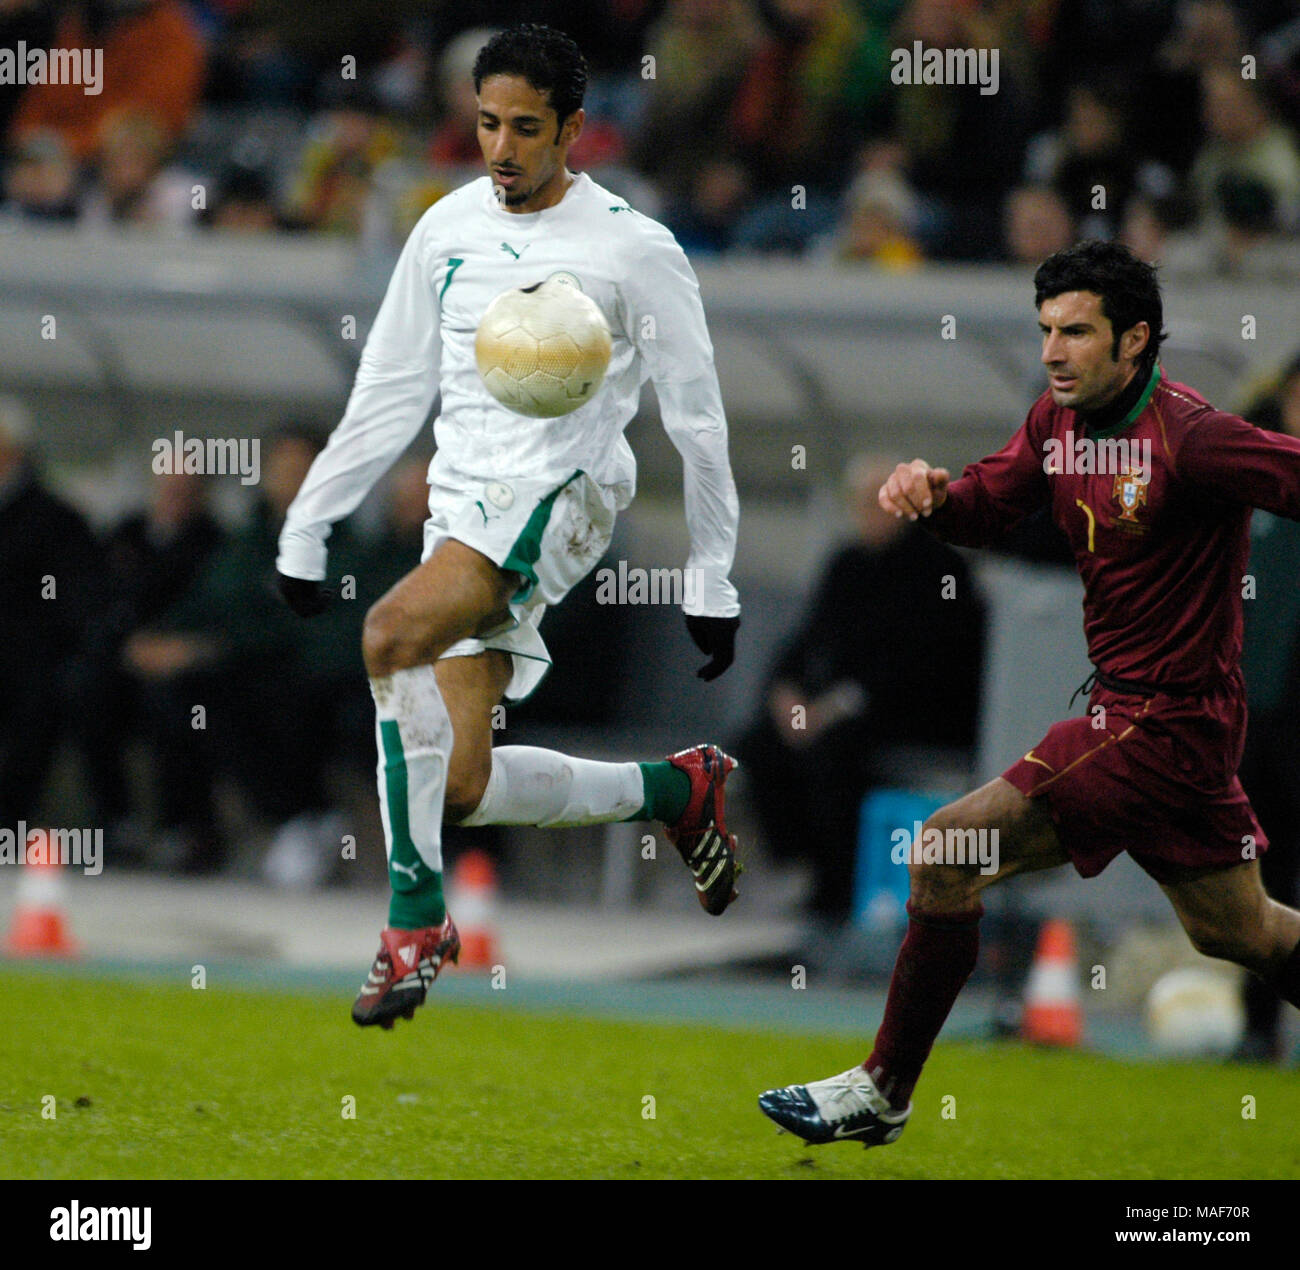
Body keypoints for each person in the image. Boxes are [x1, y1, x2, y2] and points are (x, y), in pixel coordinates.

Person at [759, 240, 1300, 1146]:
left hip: (1159, 722)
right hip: (1154, 725)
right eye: (1046, 329)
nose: (1053, 351)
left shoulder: (1193, 438)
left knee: (945, 848)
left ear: (1135, 342)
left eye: (1076, 332)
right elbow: (990, 500)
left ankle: (883, 1087)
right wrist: (933, 495)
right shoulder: (1057, 423)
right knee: (1240, 931)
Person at [274, 24, 743, 1030]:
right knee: (455, 784)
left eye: (525, 128)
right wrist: (307, 524)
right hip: (462, 505)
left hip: (561, 495)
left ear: (573, 129)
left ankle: (413, 922)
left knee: (389, 634)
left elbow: (695, 414)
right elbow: (391, 387)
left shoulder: (633, 247)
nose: (500, 147)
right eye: (486, 123)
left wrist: (713, 574)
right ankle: (674, 790)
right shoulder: (443, 229)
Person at [739, 454, 981, 923]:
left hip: (910, 716)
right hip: (834, 710)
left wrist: (831, 711)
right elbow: (805, 640)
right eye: (863, 504)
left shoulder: (940, 567)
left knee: (835, 754)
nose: (871, 514)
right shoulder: (846, 564)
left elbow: (918, 667)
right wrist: (786, 695)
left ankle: (839, 889)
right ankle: (800, 866)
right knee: (757, 746)